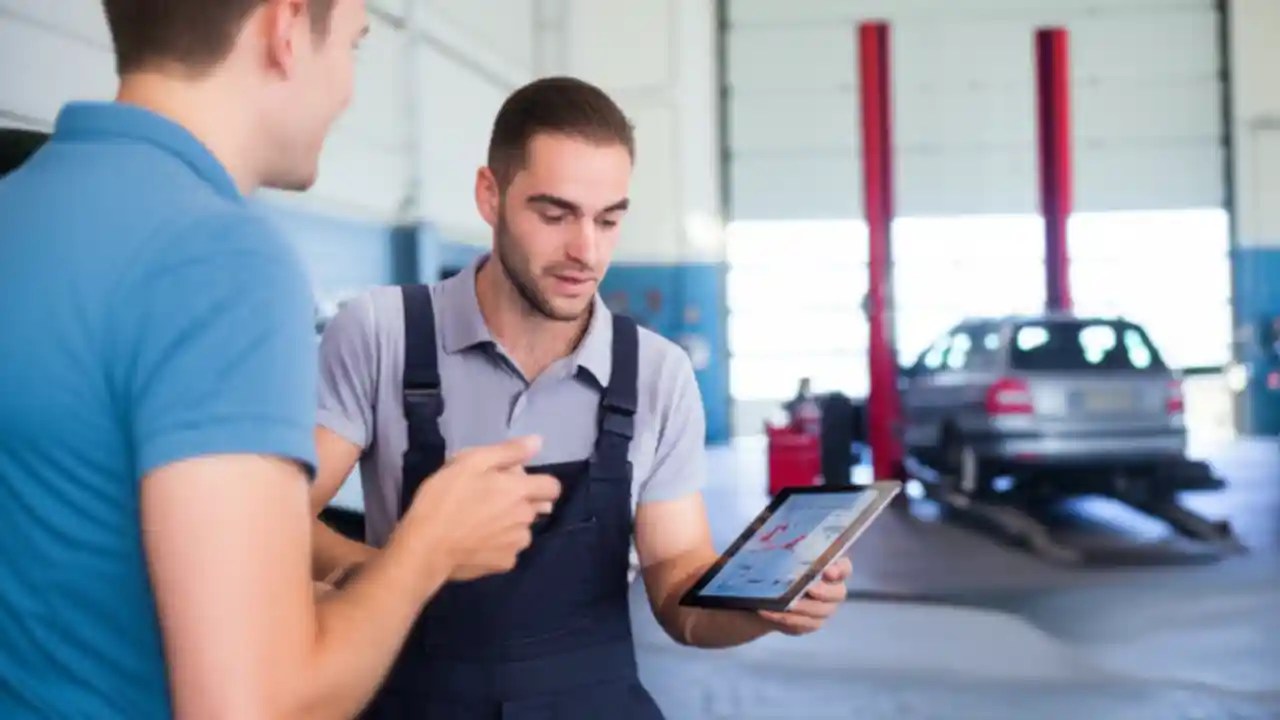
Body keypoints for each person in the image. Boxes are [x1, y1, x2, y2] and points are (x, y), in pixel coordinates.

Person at [0, 1, 559, 718]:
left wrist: (326, 592)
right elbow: (260, 706)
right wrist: (427, 548)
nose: (349, 89)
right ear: (287, 27)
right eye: (353, 46)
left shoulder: (17, 207)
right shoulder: (217, 259)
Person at [308, 76, 854, 718]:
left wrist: (758, 608)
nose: (584, 251)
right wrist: (384, 571)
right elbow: (269, 521)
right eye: (555, 213)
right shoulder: (381, 335)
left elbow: (678, 583)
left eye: (608, 219)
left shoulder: (656, 373)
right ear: (490, 195)